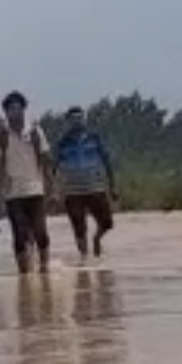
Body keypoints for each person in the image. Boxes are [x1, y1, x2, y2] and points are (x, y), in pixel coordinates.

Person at [0, 90, 53, 273]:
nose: (15, 113)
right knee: (19, 235)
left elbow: (46, 161)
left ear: (24, 110)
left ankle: (45, 270)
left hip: (35, 190)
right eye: (11, 109)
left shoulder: (35, 132)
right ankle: (23, 276)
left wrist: (52, 188)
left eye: (19, 109)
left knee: (41, 232)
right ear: (6, 112)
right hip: (13, 194)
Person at [54, 106, 117, 259]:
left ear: (84, 119)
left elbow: (107, 161)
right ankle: (84, 258)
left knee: (107, 223)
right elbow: (53, 168)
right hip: (73, 192)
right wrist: (54, 192)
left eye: (80, 118)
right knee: (79, 228)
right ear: (68, 122)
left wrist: (113, 186)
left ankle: (96, 239)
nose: (77, 122)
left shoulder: (95, 138)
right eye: (73, 119)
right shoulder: (63, 143)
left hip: (95, 187)